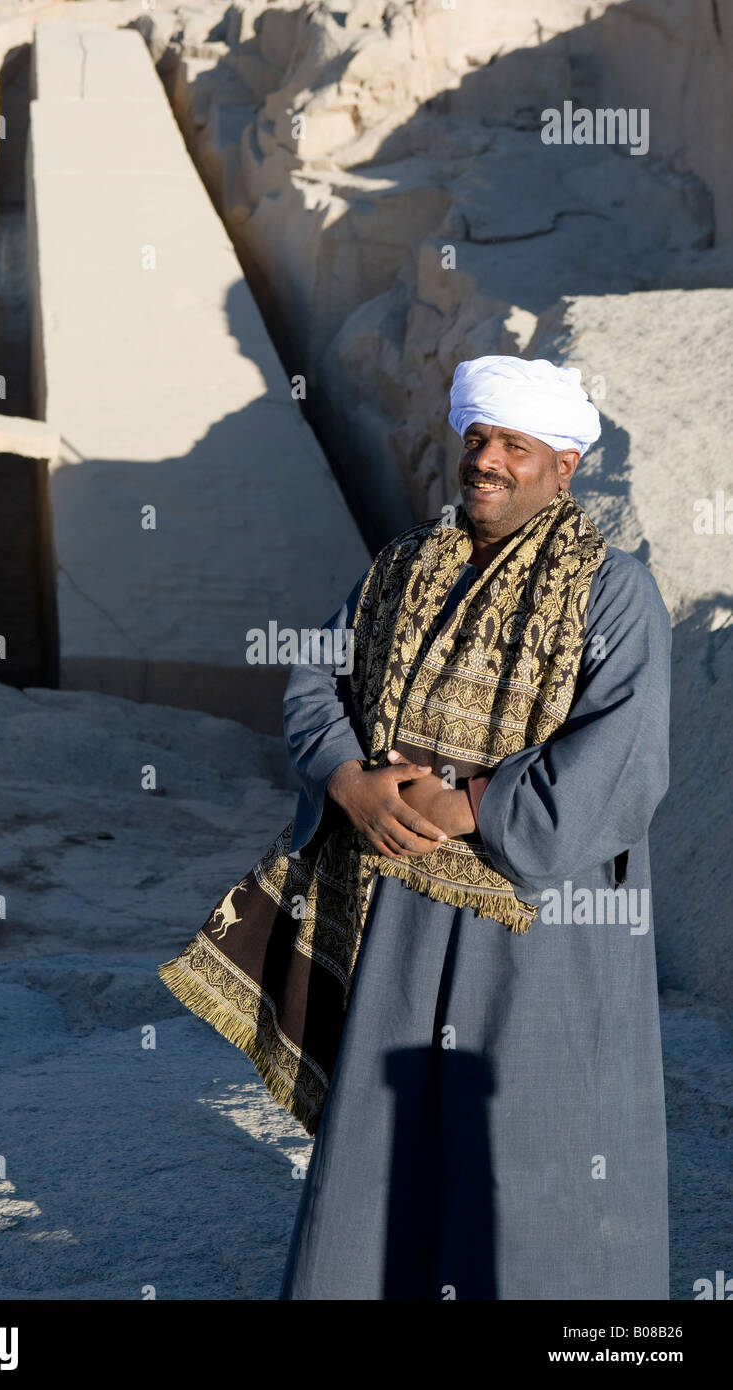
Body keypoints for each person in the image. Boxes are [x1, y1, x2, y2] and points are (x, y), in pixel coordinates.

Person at [160, 355, 672, 1300]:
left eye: (516, 446)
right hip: (396, 906)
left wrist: (474, 804)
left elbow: (626, 759)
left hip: (536, 928)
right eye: (478, 438)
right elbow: (318, 676)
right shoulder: (403, 565)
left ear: (564, 467)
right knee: (379, 1146)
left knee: (533, 1146)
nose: (487, 460)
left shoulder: (615, 593)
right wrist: (349, 782)